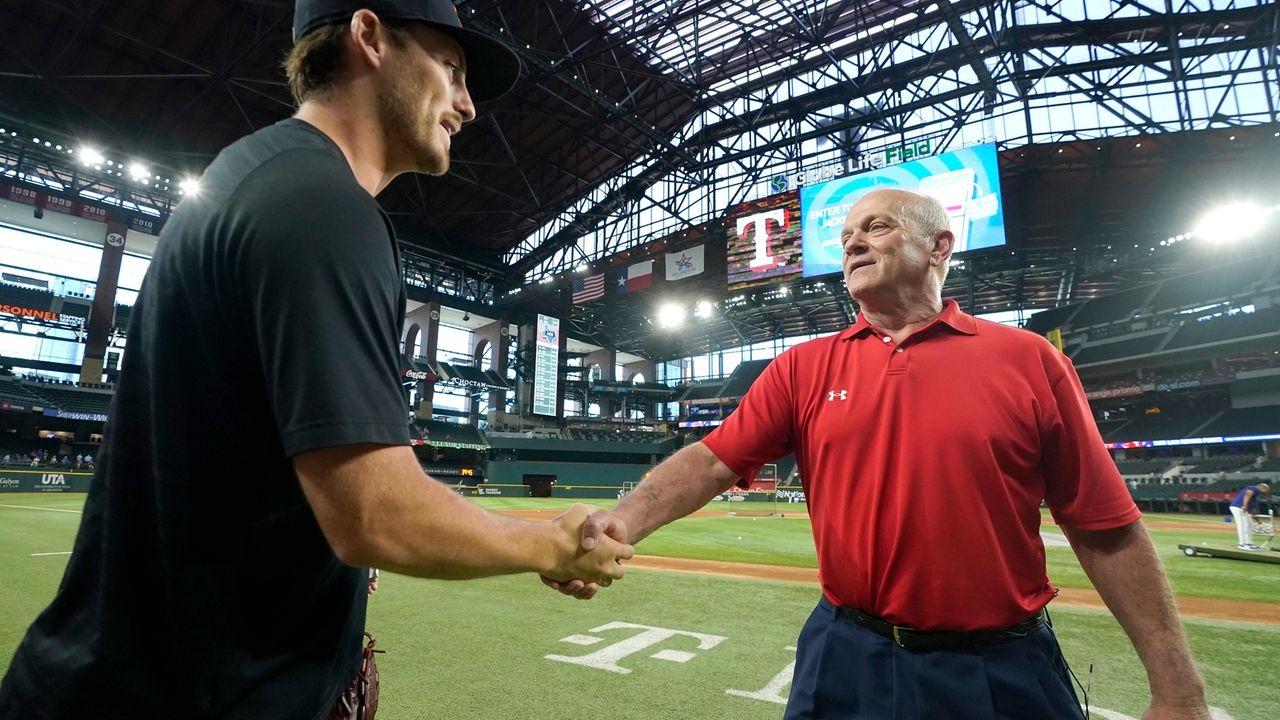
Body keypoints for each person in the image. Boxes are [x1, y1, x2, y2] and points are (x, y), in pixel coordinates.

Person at [0, 2, 632, 719]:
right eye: (450, 70)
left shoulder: (261, 173)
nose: (467, 105)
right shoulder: (321, 206)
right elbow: (376, 512)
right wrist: (550, 543)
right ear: (368, 37)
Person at [548, 188, 1210, 720]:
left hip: (999, 665)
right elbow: (711, 461)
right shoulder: (801, 367)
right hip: (844, 650)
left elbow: (1106, 528)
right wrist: (621, 522)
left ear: (939, 245)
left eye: (879, 226)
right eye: (845, 237)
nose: (853, 242)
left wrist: (1180, 693)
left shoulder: (1028, 359)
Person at [1228, 482, 1271, 550]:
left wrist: (1257, 520)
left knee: (1248, 525)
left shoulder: (1255, 493)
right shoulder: (1255, 488)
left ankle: (1249, 543)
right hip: (1239, 507)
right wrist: (1245, 506)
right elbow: (1248, 494)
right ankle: (1242, 544)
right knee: (1243, 525)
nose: (1266, 492)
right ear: (1262, 488)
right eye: (1267, 490)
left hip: (1242, 508)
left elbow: (1253, 511)